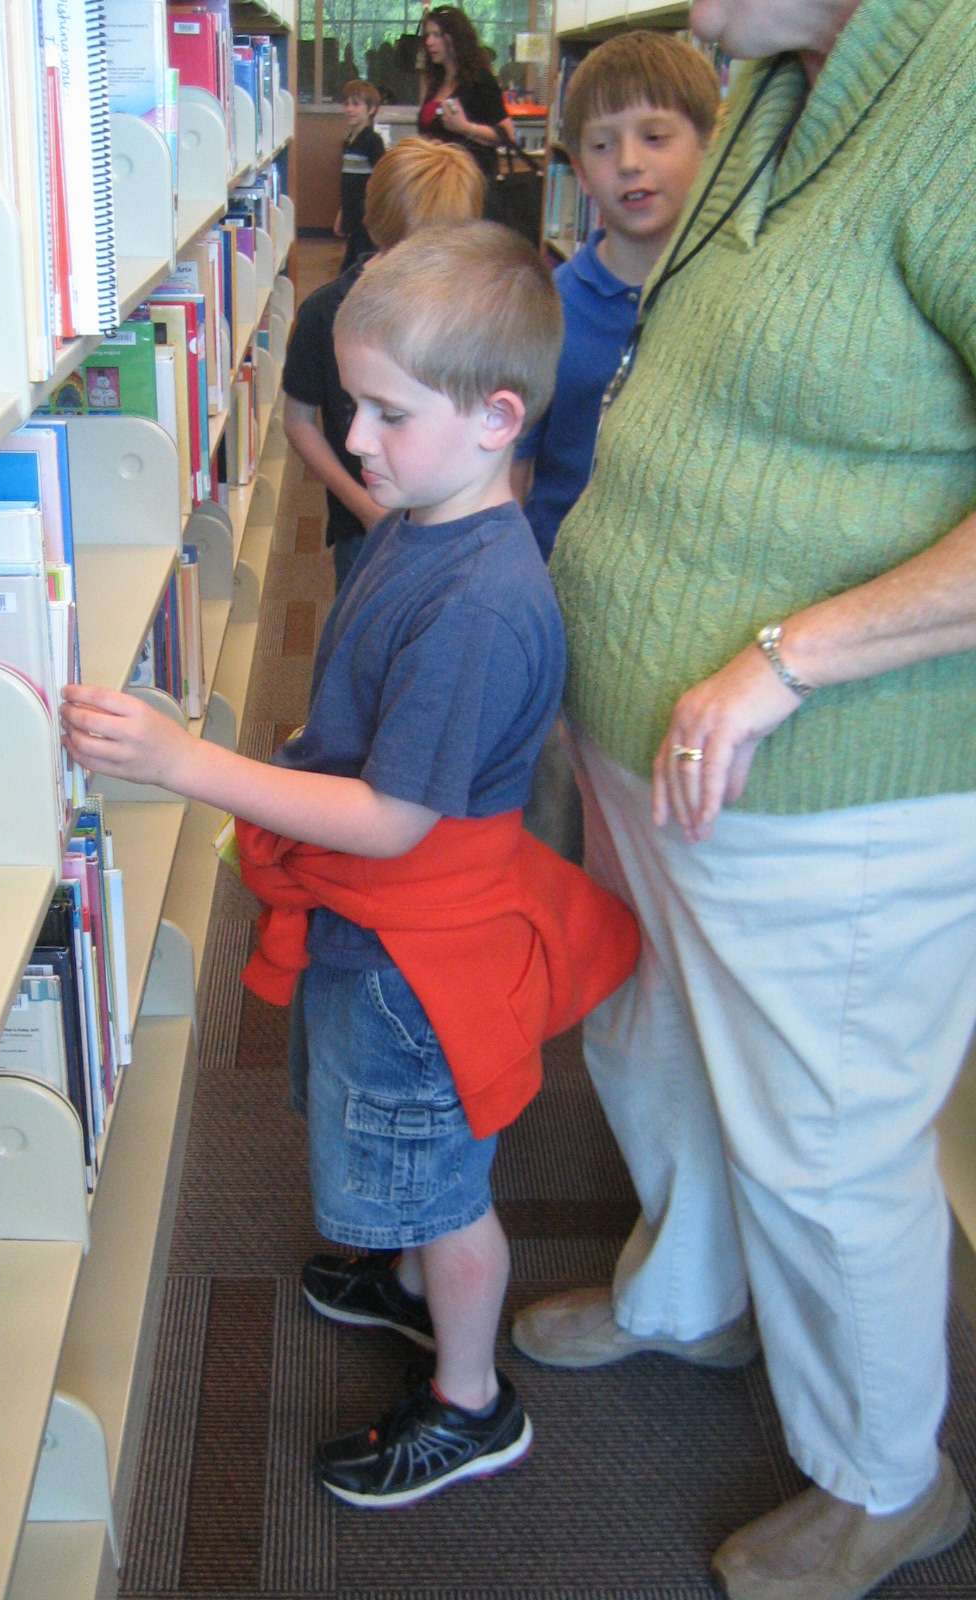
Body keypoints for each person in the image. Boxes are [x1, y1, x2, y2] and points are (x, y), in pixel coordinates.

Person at [61, 222, 639, 1509]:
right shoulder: (421, 526)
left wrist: (188, 761)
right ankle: (404, 1278)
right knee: (379, 1131)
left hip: (415, 947)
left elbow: (391, 819)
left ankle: (471, 1399)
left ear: (497, 418)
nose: (354, 440)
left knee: (443, 1183)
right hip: (367, 935)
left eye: (385, 412)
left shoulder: (481, 600)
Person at [514, 0, 976, 1595]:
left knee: (826, 1133)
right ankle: (688, 1295)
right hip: (649, 740)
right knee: (652, 1034)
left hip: (831, 772)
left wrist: (792, 657)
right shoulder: (776, 84)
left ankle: (885, 1479)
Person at [510, 31, 721, 563]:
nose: (629, 162)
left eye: (655, 137)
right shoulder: (548, 310)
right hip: (562, 575)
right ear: (578, 171)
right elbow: (512, 475)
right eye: (603, 145)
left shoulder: (734, 302)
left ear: (709, 148)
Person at [282, 138, 484, 592]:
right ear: (378, 228)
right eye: (411, 250)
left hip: (448, 520)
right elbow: (297, 421)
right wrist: (361, 505)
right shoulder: (326, 310)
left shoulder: (466, 311)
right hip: (366, 525)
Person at [417, 6, 514, 181]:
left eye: (437, 35)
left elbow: (507, 135)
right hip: (436, 180)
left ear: (456, 38)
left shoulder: (479, 80)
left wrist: (465, 128)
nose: (429, 42)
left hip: (468, 182)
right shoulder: (437, 82)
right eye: (427, 35)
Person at [333, 78, 385, 272]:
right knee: (351, 266)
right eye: (347, 104)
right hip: (353, 217)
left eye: (356, 104)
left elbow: (381, 177)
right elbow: (348, 185)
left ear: (371, 109)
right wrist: (342, 212)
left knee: (358, 267)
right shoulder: (349, 142)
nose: (349, 109)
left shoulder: (372, 141)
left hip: (366, 220)